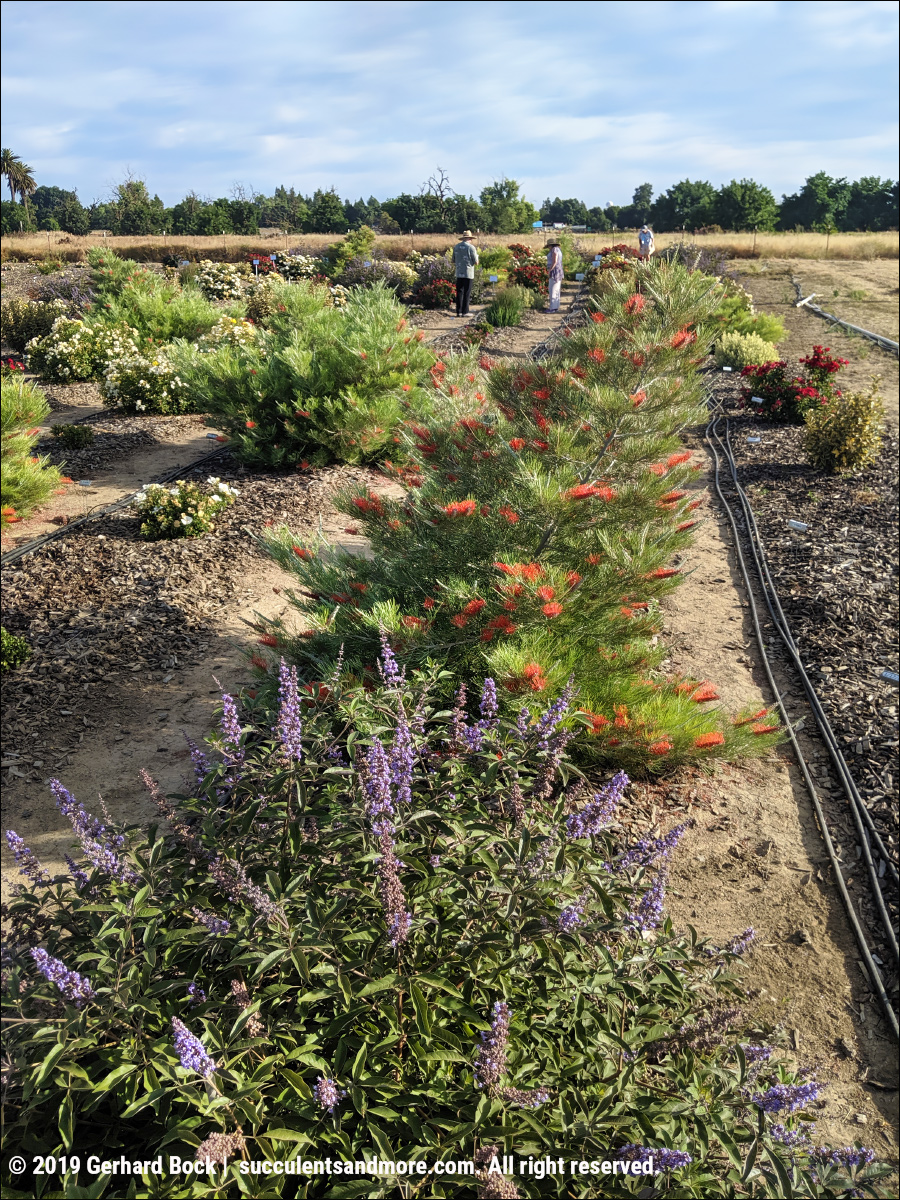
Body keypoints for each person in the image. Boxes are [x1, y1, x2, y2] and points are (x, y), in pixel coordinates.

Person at [452, 231, 479, 317]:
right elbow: (476, 262)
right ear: (469, 238)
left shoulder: (456, 247)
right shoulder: (471, 248)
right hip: (468, 272)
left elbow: (453, 260)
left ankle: (458, 311)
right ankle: (465, 311)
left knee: (459, 292)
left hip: (459, 272)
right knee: (467, 292)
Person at [546, 239, 563, 312]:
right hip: (558, 270)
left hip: (554, 271)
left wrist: (550, 270)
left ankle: (552, 308)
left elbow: (554, 261)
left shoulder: (554, 250)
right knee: (556, 289)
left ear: (551, 245)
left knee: (552, 289)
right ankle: (555, 306)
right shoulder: (558, 249)